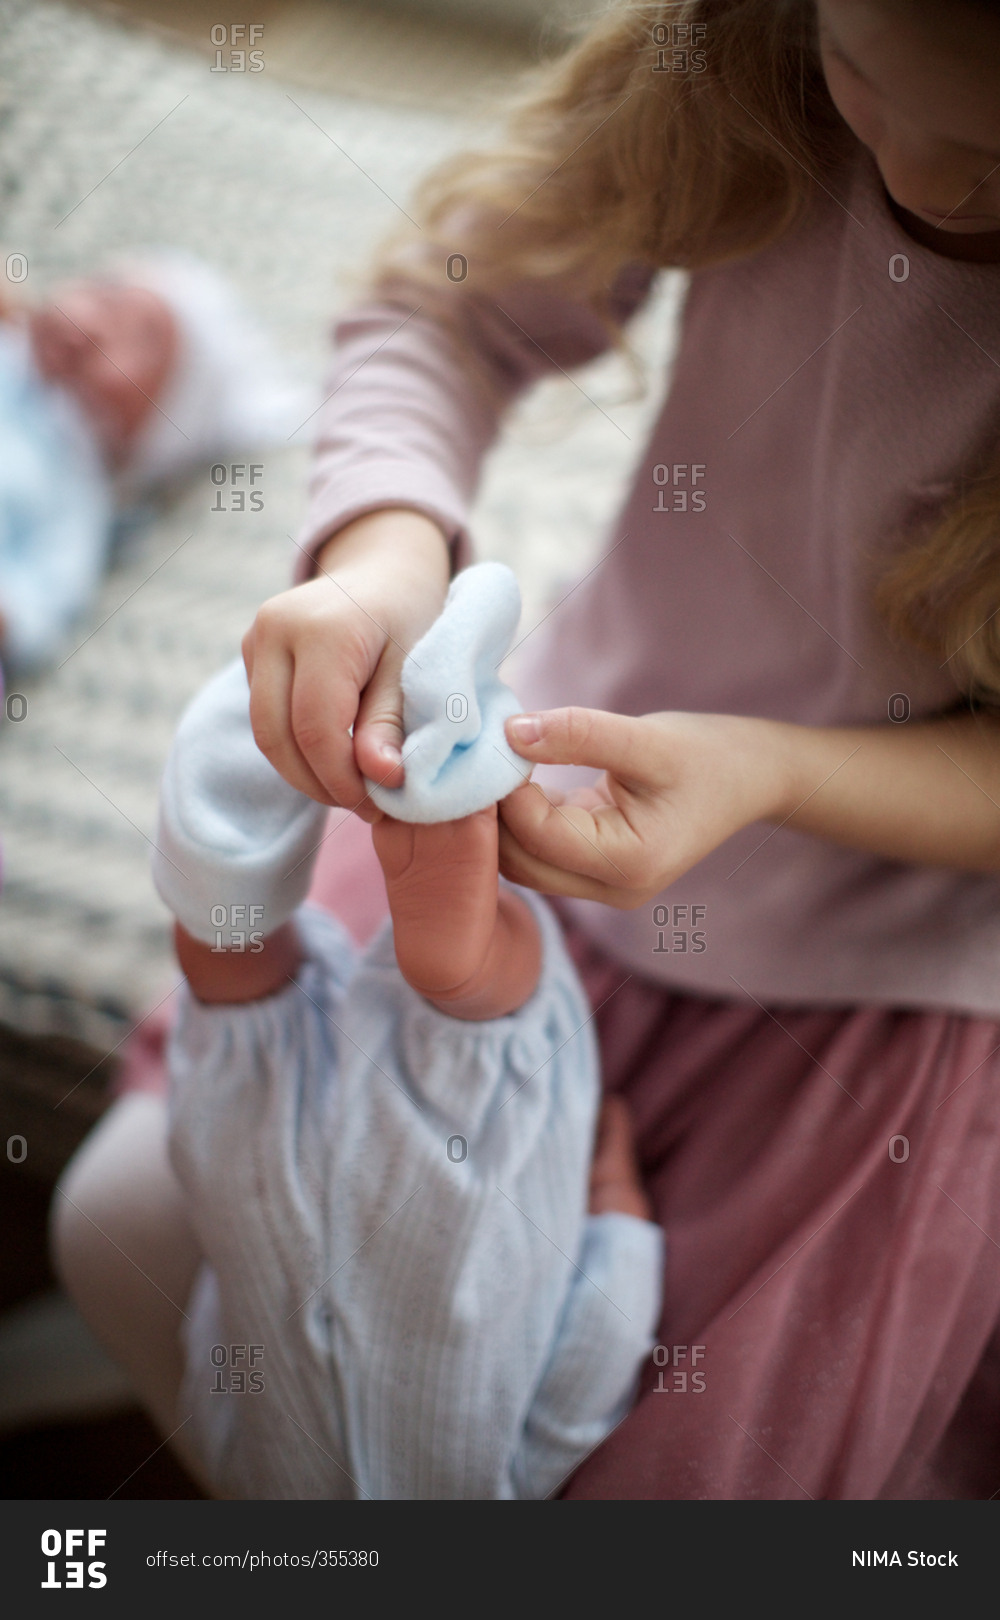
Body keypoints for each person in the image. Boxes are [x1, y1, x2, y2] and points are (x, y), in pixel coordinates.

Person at [54, 0, 1000, 1499]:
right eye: (869, 79)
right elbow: (446, 306)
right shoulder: (752, 76)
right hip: (594, 765)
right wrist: (379, 556)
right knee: (120, 1220)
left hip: (873, 972)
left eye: (997, 160)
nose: (929, 182)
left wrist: (774, 773)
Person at [140, 566, 663, 1498]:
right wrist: (618, 1202)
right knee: (343, 988)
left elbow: (598, 1352)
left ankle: (320, 781)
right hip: (305, 1191)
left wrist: (619, 1211)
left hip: (330, 1194)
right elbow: (591, 1364)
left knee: (314, 998)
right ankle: (425, 763)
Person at [0, 251, 302, 670]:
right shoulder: (10, 340)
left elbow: (27, 611)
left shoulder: (76, 508)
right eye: (105, 292)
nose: (91, 321)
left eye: (142, 339)